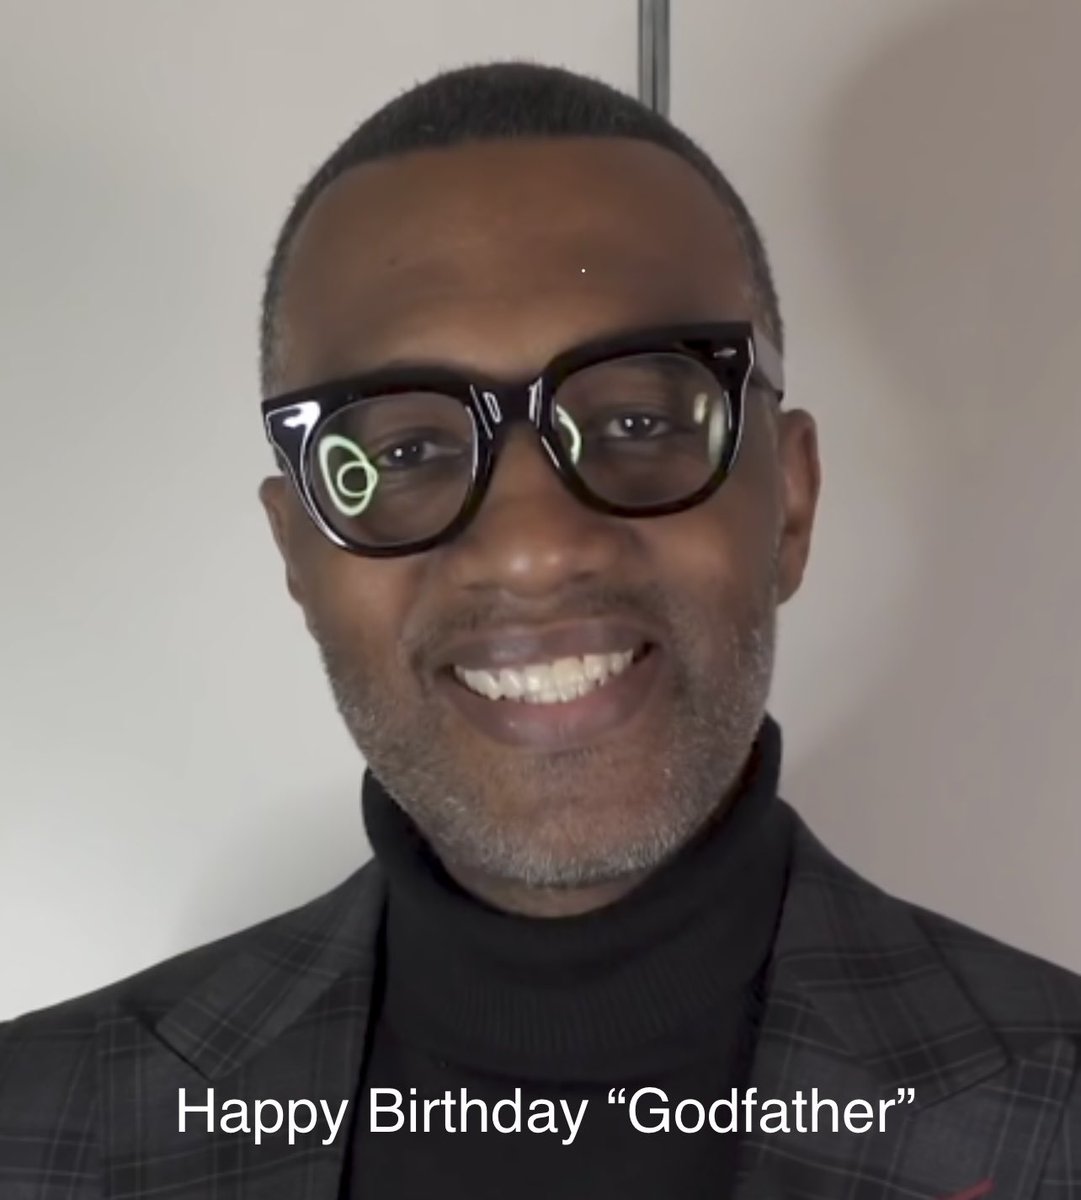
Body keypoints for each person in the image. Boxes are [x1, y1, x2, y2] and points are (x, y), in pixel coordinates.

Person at [2, 60, 1079, 1200]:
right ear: (297, 557)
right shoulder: (33, 1128)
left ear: (791, 506)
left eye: (637, 419)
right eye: (405, 450)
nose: (533, 547)